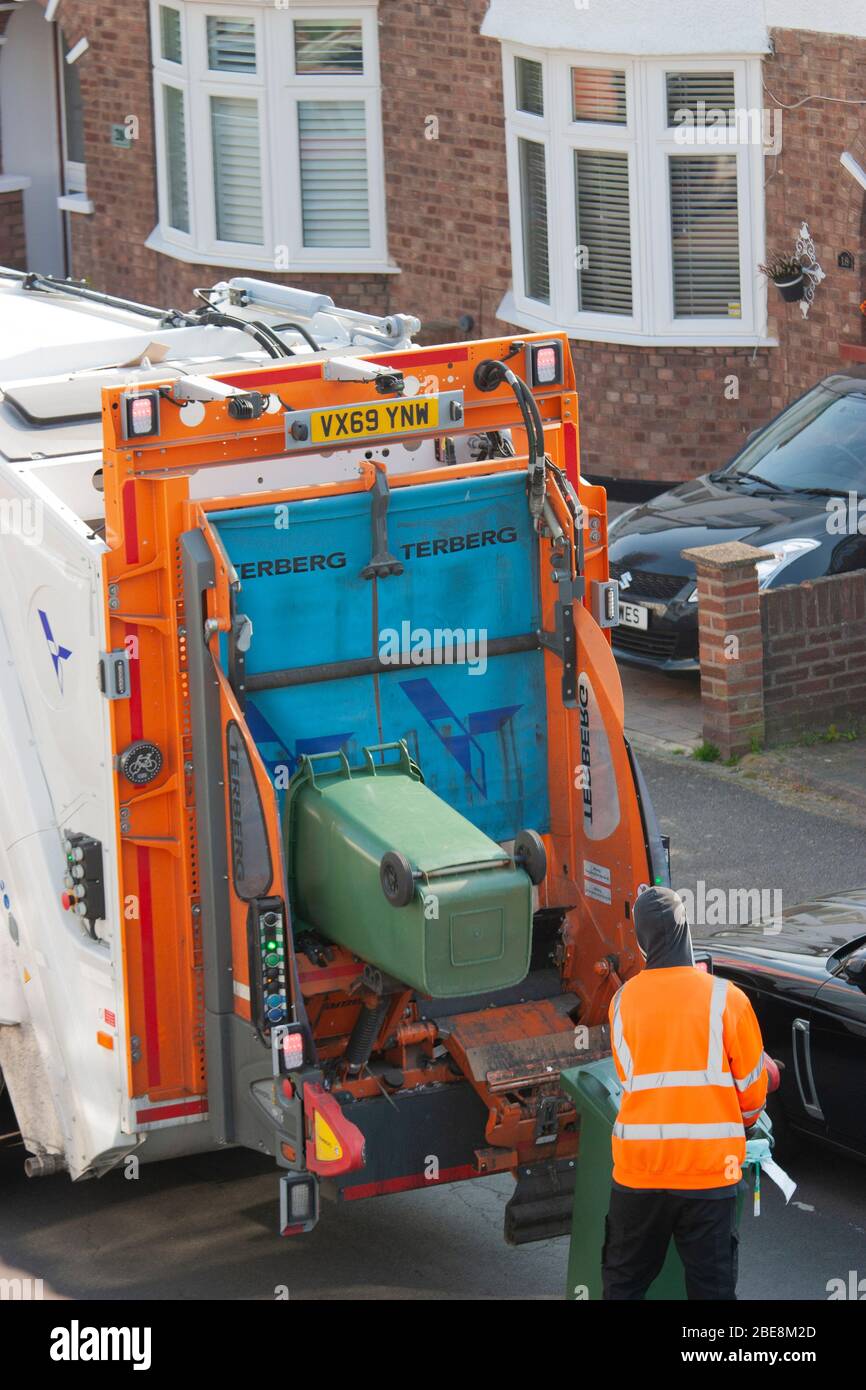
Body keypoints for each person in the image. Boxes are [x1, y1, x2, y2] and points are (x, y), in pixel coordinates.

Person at [602, 885, 767, 1300]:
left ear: (642, 941)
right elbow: (752, 1090)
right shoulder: (727, 999)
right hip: (710, 1173)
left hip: (639, 1173)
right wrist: (742, 1124)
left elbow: (629, 1078)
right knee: (711, 1289)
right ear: (686, 932)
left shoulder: (622, 1002)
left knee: (623, 1285)